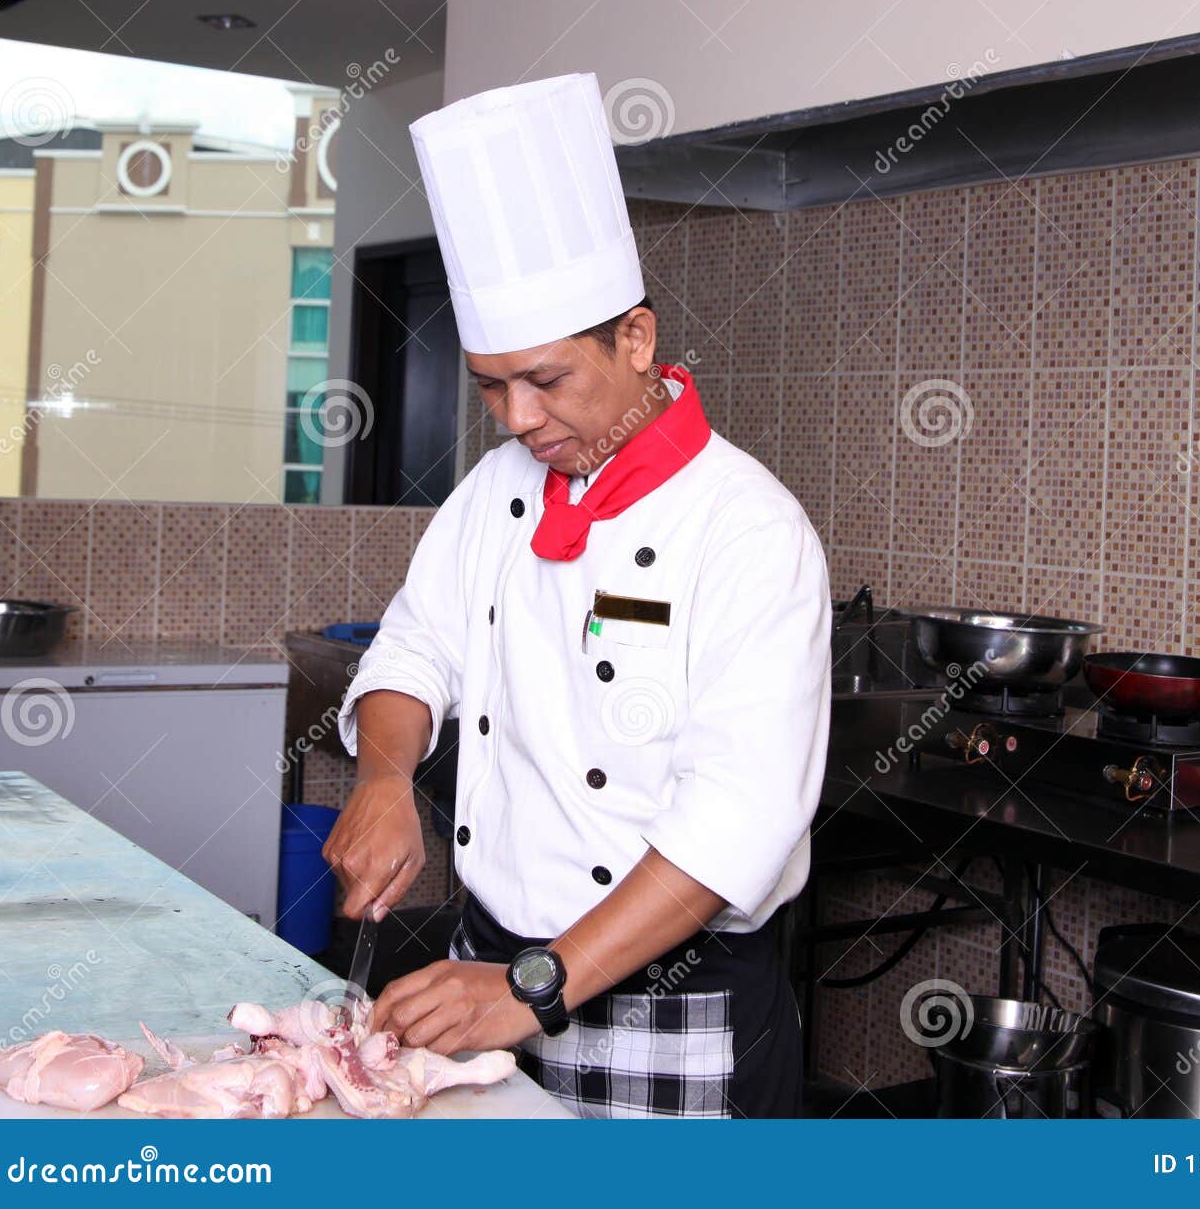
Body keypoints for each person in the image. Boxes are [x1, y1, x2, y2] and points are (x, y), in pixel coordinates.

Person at [323, 72, 830, 1118]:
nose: (514, 417)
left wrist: (534, 987)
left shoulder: (748, 529)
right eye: (489, 385)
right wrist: (382, 774)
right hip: (485, 976)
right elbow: (416, 645)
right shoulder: (496, 491)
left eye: (545, 381)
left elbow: (736, 828)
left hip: (666, 1004)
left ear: (635, 342)